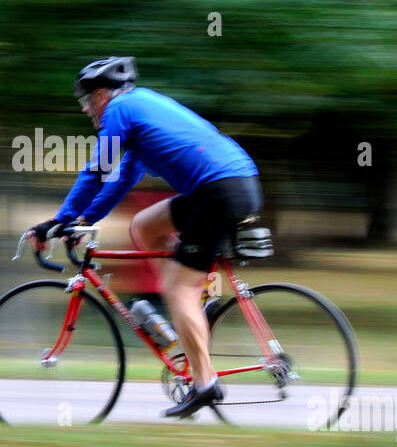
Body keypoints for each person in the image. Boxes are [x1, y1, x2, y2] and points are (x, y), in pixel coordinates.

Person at [28, 56, 263, 417]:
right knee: (145, 226)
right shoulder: (140, 108)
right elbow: (120, 179)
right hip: (226, 186)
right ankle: (202, 302)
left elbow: (98, 170)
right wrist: (81, 220)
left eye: (86, 100)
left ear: (103, 94)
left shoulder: (120, 109)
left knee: (176, 289)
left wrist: (57, 221)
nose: (85, 109)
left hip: (219, 191)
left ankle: (204, 385)